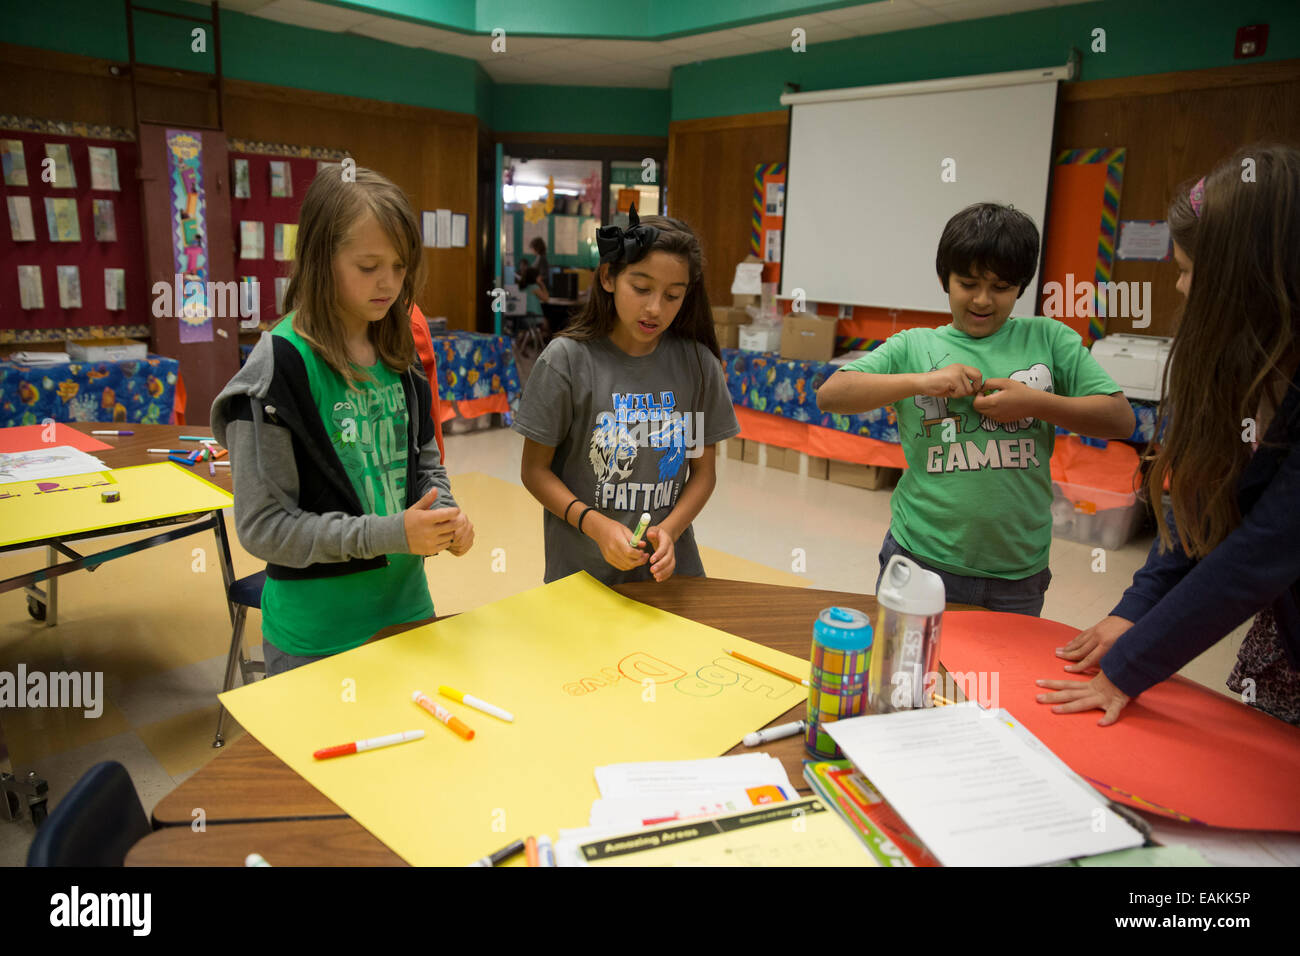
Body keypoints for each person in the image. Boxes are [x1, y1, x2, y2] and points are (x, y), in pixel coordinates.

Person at [1039, 144, 1300, 725]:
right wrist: (1135, 611)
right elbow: (1195, 509)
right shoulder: (1237, 364)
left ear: (1248, 276)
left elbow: (1260, 553)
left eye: (1185, 271)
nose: (1179, 289)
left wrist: (1131, 665)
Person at [211, 164, 475, 676]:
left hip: (406, 616)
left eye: (400, 267)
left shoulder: (398, 344)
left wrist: (444, 515)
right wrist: (391, 533)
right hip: (316, 638)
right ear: (319, 259)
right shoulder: (277, 370)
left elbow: (423, 463)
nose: (390, 284)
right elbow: (264, 529)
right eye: (369, 266)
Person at [817, 203, 1134, 616]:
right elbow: (832, 394)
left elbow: (1120, 419)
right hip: (921, 557)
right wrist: (923, 381)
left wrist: (1034, 402)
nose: (983, 300)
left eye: (1001, 287)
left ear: (1021, 287)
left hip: (1017, 572)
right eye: (967, 283)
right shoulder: (914, 345)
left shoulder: (1050, 339)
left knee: (997, 681)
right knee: (908, 675)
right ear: (944, 280)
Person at [513, 207, 739, 585]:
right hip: (583, 575)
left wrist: (671, 530)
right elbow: (534, 471)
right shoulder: (565, 362)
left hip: (669, 577)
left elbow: (702, 472)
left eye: (673, 295)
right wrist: (596, 525)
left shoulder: (697, 367)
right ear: (608, 277)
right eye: (641, 288)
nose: (655, 308)